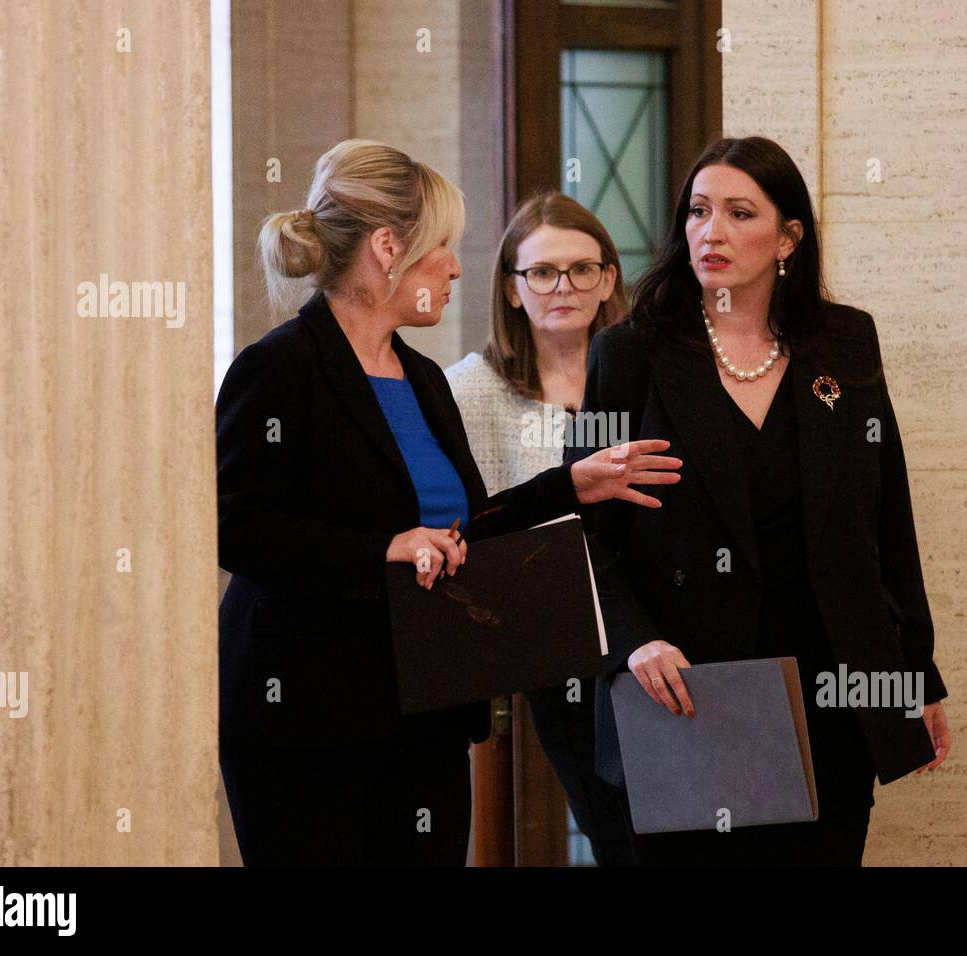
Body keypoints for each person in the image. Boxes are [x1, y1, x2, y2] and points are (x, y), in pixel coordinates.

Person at [215, 139, 681, 866]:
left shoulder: (423, 378)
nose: (458, 268)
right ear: (387, 248)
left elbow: (463, 532)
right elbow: (234, 526)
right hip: (307, 722)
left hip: (422, 718)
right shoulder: (278, 370)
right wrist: (383, 550)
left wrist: (569, 485)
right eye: (444, 248)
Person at [564, 135, 952, 866]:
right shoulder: (628, 354)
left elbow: (886, 520)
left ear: (788, 238)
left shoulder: (845, 342)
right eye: (699, 211)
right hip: (686, 691)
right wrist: (634, 639)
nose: (712, 231)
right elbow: (582, 527)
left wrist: (915, 672)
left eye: (740, 213)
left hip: (830, 689)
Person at [446, 191, 635, 866]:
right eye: (543, 272)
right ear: (511, 286)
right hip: (557, 656)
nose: (565, 287)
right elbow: (465, 525)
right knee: (616, 836)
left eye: (583, 269)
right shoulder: (470, 389)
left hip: (654, 637)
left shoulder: (640, 377)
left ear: (609, 278)